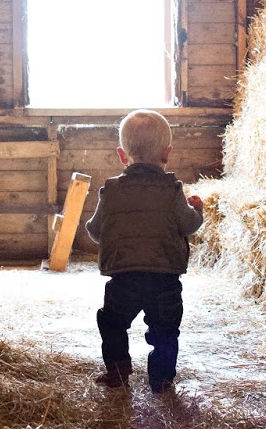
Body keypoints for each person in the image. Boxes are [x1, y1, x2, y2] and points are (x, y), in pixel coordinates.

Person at [84, 110, 204, 393]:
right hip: (164, 279)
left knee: (112, 322)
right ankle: (161, 380)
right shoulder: (173, 190)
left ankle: (117, 370)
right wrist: (197, 209)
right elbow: (188, 226)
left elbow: (95, 230)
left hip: (123, 276)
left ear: (122, 155)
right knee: (164, 331)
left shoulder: (110, 191)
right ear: (167, 153)